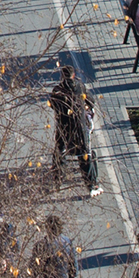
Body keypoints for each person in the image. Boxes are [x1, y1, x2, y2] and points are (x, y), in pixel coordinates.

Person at [49, 63, 99, 192]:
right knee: (84, 152)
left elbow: (54, 105)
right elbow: (90, 100)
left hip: (63, 125)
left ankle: (58, 179)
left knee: (60, 151)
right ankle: (91, 183)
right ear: (73, 75)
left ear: (61, 76)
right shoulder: (80, 87)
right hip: (79, 125)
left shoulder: (57, 90)